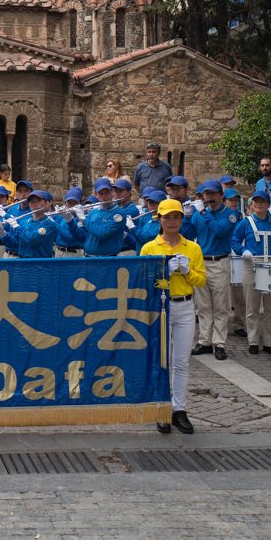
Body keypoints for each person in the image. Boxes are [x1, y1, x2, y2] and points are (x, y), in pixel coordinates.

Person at [142, 198, 206, 435]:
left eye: (176, 217)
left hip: (185, 306)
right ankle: (162, 408)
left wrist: (187, 271)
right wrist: (162, 273)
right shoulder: (150, 247)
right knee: (162, 360)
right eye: (167, 217)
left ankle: (179, 408)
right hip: (161, 307)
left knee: (181, 362)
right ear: (159, 219)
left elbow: (201, 280)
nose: (172, 222)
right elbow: (145, 281)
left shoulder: (193, 248)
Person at [230, 190, 271, 355]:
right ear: (251, 204)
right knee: (252, 306)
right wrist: (243, 251)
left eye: (262, 201)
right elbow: (234, 240)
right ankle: (253, 341)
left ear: (268, 204)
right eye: (255, 201)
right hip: (252, 265)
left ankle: (269, 342)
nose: (258, 204)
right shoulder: (245, 223)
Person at [191, 180, 238, 360]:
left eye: (212, 194)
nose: (208, 197)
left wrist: (203, 213)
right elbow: (188, 232)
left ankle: (219, 342)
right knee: (203, 305)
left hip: (219, 261)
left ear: (220, 195)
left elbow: (219, 231)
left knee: (220, 306)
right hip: (201, 261)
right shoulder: (199, 214)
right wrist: (187, 217)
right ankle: (204, 341)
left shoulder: (231, 215)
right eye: (206, 194)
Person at [0, 190, 58, 258]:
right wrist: (2, 233)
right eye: (32, 201)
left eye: (38, 201)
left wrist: (16, 226)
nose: (35, 204)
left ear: (47, 203)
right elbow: (15, 244)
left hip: (40, 264)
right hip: (22, 262)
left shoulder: (49, 224)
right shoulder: (24, 222)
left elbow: (32, 240)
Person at [81, 178, 127, 257]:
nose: (104, 196)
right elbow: (83, 235)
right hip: (88, 258)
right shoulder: (93, 212)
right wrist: (70, 221)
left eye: (107, 193)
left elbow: (102, 233)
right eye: (101, 193)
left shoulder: (119, 214)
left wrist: (84, 220)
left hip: (107, 259)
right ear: (96, 194)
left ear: (112, 192)